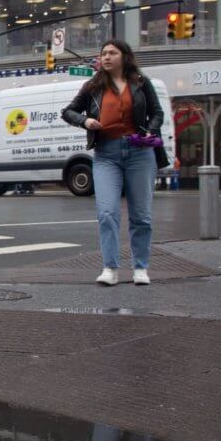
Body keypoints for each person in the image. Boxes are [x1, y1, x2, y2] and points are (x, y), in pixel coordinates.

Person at [62, 39, 163, 286]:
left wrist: (151, 130)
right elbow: (68, 111)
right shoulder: (93, 86)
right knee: (107, 212)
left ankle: (141, 267)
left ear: (124, 56)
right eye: (104, 53)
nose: (106, 57)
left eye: (112, 53)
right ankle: (110, 268)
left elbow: (157, 113)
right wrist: (85, 122)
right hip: (106, 153)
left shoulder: (141, 82)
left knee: (141, 216)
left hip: (139, 151)